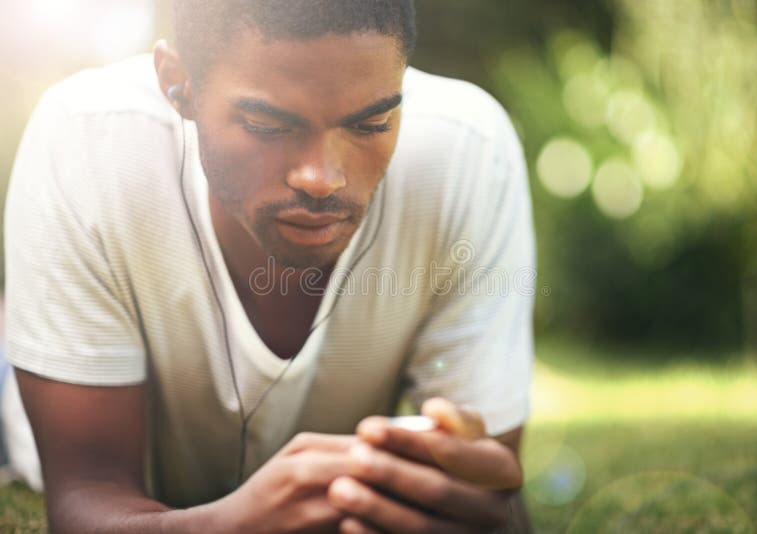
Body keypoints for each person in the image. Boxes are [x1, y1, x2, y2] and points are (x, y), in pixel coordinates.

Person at [2, 0, 536, 532]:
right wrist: (227, 527)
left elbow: (489, 491)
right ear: (178, 84)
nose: (321, 179)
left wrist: (466, 499)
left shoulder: (468, 153)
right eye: (266, 125)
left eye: (372, 124)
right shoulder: (89, 141)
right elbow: (85, 498)